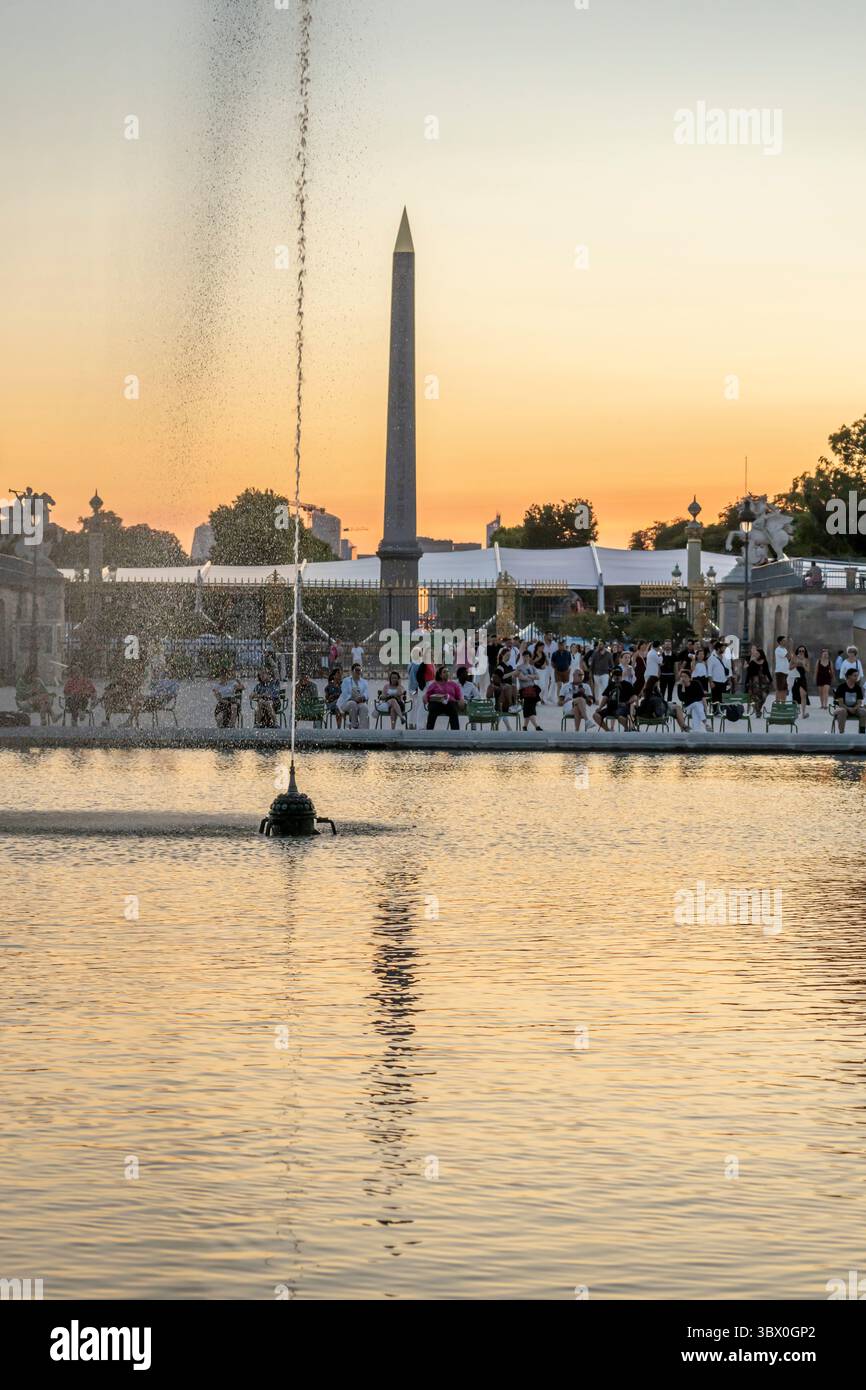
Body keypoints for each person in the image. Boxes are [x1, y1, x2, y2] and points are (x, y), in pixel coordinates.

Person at [424, 664, 463, 729]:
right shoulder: (434, 684)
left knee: (453, 709)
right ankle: (429, 731)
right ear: (440, 675)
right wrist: (425, 698)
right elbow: (427, 695)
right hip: (437, 704)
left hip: (449, 704)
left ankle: (455, 732)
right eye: (444, 672)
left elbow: (459, 696)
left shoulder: (454, 684)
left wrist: (461, 700)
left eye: (447, 671)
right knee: (432, 709)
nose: (447, 673)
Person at [515, 653, 543, 731]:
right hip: (525, 690)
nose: (525, 658)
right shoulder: (519, 667)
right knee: (529, 708)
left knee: (529, 708)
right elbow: (522, 678)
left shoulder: (532, 667)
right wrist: (532, 676)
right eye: (524, 656)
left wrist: (529, 676)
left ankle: (524, 726)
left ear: (529, 657)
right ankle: (536, 726)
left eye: (527, 656)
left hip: (533, 689)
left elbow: (538, 677)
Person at [833, 668, 866, 733]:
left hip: (855, 708)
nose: (857, 677)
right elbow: (841, 703)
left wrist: (855, 708)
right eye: (855, 675)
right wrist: (849, 709)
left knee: (864, 711)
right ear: (849, 676)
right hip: (843, 708)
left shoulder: (858, 688)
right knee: (842, 711)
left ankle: (862, 732)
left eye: (857, 675)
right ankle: (841, 732)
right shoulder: (841, 687)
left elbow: (859, 702)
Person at [339, 664, 370, 728]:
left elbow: (366, 693)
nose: (358, 672)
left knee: (364, 707)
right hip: (347, 703)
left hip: (359, 702)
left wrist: (363, 697)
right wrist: (353, 698)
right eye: (357, 670)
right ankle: (354, 725)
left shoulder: (364, 682)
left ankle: (363, 728)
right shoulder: (346, 681)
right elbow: (344, 694)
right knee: (352, 704)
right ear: (352, 671)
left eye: (360, 670)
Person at [745, 645, 772, 715]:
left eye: (757, 653)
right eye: (755, 653)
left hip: (763, 681)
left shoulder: (764, 661)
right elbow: (749, 672)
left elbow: (767, 671)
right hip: (754, 681)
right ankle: (757, 711)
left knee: (764, 696)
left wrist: (771, 679)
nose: (755, 654)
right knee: (755, 697)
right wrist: (747, 681)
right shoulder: (752, 661)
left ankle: (758, 708)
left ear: (761, 654)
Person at [707, 641, 729, 714]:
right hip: (715, 681)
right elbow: (709, 672)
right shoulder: (711, 658)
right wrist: (711, 682)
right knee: (715, 697)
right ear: (718, 648)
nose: (724, 649)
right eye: (722, 648)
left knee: (722, 697)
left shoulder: (724, 657)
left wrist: (728, 680)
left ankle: (721, 711)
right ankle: (715, 711)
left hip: (723, 681)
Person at [790, 645, 810, 718]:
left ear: (805, 652)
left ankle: (803, 713)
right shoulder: (794, 658)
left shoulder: (806, 659)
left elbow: (808, 670)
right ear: (797, 651)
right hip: (795, 678)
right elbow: (789, 668)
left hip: (802, 678)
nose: (801, 652)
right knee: (795, 695)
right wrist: (796, 664)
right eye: (800, 651)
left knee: (803, 694)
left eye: (803, 651)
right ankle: (795, 712)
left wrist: (803, 665)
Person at [773, 636, 791, 702]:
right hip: (780, 672)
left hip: (785, 672)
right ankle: (777, 704)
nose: (785, 642)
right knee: (779, 689)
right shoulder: (778, 649)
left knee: (784, 689)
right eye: (784, 640)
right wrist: (791, 646)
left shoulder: (784, 649)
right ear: (780, 642)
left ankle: (783, 704)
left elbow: (789, 659)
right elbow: (788, 656)